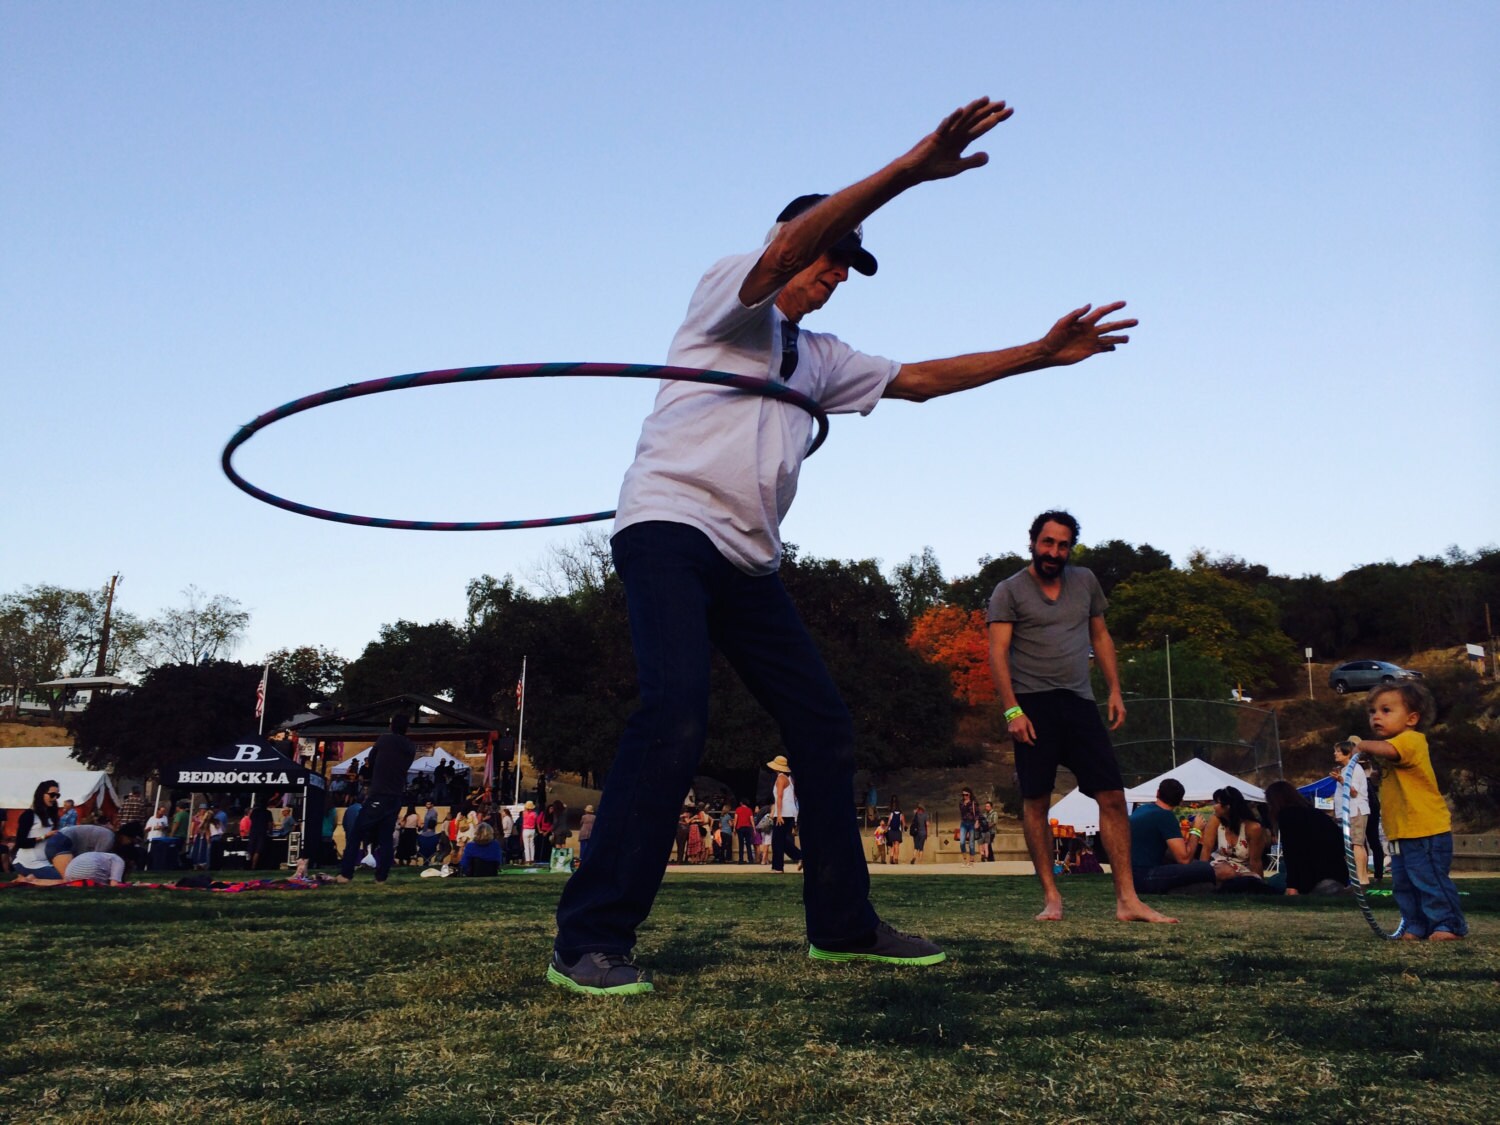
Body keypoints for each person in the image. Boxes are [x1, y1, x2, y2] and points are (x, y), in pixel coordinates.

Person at [548, 96, 1137, 994]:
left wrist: (1037, 354)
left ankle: (843, 923)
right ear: (789, 242)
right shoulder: (725, 299)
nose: (830, 277)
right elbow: (785, 253)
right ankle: (590, 936)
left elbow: (924, 381)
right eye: (827, 260)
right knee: (674, 711)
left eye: (842, 273)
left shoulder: (819, 357)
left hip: (750, 559)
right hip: (667, 525)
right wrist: (908, 169)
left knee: (824, 724)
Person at [988, 510, 1174, 924]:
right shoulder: (1009, 590)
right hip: (1032, 705)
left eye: (1063, 544)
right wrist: (1012, 710)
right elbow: (997, 652)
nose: (1054, 551)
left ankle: (1128, 900)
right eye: (1048, 542)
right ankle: (1052, 897)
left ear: (1071, 547)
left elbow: (1100, 636)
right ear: (1033, 541)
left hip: (1079, 702)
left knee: (1112, 795)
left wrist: (1114, 690)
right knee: (1036, 800)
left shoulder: (1085, 581)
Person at [1343, 682, 1466, 941]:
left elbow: (1390, 750)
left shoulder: (1411, 740)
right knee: (1404, 884)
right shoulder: (1391, 750)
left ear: (1412, 719)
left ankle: (1447, 924)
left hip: (1425, 830)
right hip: (1400, 833)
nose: (1376, 716)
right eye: (1372, 711)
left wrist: (1362, 745)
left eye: (1386, 710)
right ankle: (1416, 925)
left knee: (1429, 880)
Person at [338, 713, 418, 885]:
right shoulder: (411, 747)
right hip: (396, 796)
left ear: (391, 725)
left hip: (379, 793)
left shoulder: (384, 740)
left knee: (356, 833)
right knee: (385, 837)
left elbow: (372, 760)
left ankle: (346, 874)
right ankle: (381, 877)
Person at [1128, 778, 1215, 895]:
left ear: (1157, 793)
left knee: (1198, 868)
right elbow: (1184, 859)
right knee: (1208, 868)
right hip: (1145, 877)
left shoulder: (1142, 809)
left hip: (1128, 876)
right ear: (1180, 801)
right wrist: (1196, 830)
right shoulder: (1165, 816)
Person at [1262, 781, 1347, 895]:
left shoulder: (1286, 816)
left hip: (1311, 876)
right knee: (1282, 867)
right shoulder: (1317, 814)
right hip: (1338, 873)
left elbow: (1291, 852)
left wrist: (1292, 886)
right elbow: (1341, 844)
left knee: (1274, 881)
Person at [1195, 786, 1267, 885]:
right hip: (1217, 865)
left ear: (1228, 807)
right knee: (1222, 872)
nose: (1213, 806)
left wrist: (1260, 885)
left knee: (1249, 878)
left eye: (1216, 803)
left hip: (1242, 871)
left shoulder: (1253, 828)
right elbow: (1206, 849)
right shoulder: (1215, 820)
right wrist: (1200, 874)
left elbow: (1255, 861)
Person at [1331, 740, 1372, 884]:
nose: (1335, 754)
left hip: (1355, 811)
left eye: (1338, 751)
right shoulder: (1344, 769)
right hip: (1347, 813)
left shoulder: (1354, 769)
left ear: (1347, 753)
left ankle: (1362, 880)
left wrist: (1342, 781)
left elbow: (1354, 792)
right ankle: (1356, 878)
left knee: (1357, 844)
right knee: (1352, 845)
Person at [11, 780, 63, 879]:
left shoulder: (51, 815)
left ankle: (27, 878)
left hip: (45, 861)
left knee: (67, 875)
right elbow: (20, 842)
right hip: (28, 862)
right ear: (41, 794)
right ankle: (27, 880)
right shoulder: (29, 815)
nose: (55, 798)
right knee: (59, 880)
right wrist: (44, 836)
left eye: (57, 795)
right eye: (52, 795)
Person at [767, 756, 803, 874]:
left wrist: (779, 814)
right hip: (789, 812)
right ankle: (800, 856)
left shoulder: (780, 779)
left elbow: (780, 797)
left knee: (777, 841)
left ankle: (778, 867)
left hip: (784, 813)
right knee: (781, 840)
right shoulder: (789, 779)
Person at [957, 788, 978, 867]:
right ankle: (965, 860)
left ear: (970, 794)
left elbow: (977, 813)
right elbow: (962, 812)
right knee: (962, 842)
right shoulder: (961, 803)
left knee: (971, 843)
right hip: (964, 823)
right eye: (963, 795)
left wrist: (977, 821)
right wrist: (965, 805)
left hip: (972, 823)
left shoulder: (973, 802)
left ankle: (971, 861)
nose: (964, 796)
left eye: (966, 794)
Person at [733, 799, 754, 864]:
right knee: (748, 844)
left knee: (741, 844)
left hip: (740, 827)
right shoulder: (749, 810)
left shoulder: (738, 809)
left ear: (741, 803)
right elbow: (751, 820)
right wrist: (754, 828)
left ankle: (741, 860)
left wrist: (734, 828)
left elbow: (736, 819)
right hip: (747, 827)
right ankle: (750, 859)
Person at [886, 799, 903, 865]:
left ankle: (891, 859)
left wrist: (886, 829)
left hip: (891, 831)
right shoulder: (901, 814)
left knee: (892, 845)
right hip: (898, 831)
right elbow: (903, 822)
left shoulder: (892, 814)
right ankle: (896, 859)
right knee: (897, 845)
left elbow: (889, 822)